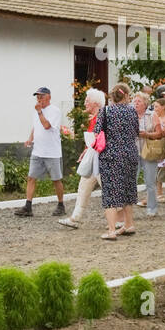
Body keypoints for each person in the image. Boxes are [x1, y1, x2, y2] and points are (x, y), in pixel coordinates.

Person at [93, 83, 141, 239]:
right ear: (126, 95)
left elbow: (97, 132)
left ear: (112, 96)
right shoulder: (132, 111)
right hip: (130, 154)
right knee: (128, 189)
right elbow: (136, 131)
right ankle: (129, 224)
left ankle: (112, 230)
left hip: (111, 156)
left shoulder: (105, 111)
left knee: (110, 192)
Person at [59, 88, 106, 229]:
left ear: (95, 103)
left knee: (108, 188)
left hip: (101, 159)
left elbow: (101, 139)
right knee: (83, 186)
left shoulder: (101, 118)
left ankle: (120, 219)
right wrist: (86, 151)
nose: (85, 103)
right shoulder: (93, 119)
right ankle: (75, 218)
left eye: (87, 101)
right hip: (93, 157)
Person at [16, 86, 66, 217]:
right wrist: (30, 139)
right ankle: (28, 207)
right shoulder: (36, 111)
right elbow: (36, 126)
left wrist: (39, 112)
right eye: (37, 97)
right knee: (31, 178)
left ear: (48, 97)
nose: (39, 99)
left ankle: (61, 205)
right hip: (37, 150)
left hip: (52, 152)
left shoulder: (54, 111)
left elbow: (47, 125)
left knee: (56, 180)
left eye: (41, 96)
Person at [134, 91, 165, 216]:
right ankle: (128, 210)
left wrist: (147, 134)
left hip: (149, 152)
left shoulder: (152, 115)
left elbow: (159, 133)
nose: (136, 103)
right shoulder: (131, 115)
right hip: (133, 152)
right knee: (132, 181)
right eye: (135, 101)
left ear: (145, 103)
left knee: (150, 182)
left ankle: (152, 208)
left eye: (139, 101)